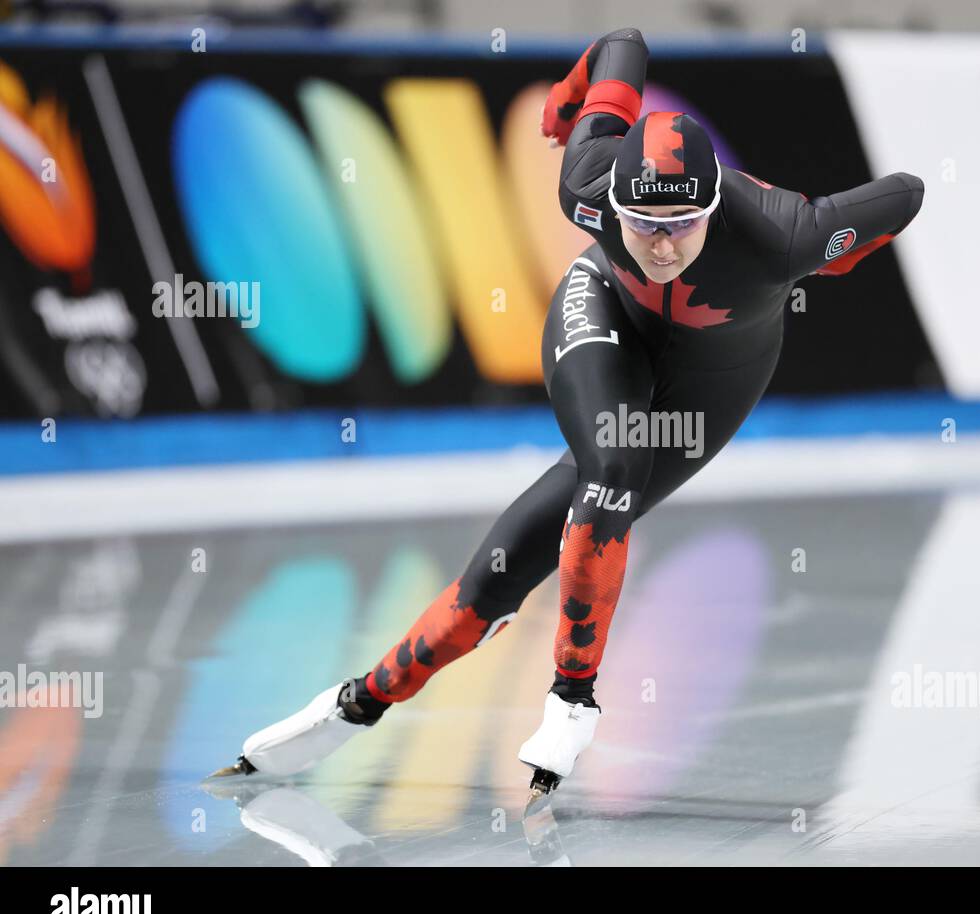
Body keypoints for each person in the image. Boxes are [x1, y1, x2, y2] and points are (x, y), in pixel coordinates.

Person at [212, 27, 924, 796]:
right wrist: (563, 102)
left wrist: (836, 248)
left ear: (714, 209)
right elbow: (623, 43)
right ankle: (384, 704)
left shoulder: (785, 234)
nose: (659, 244)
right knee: (604, 471)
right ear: (607, 203)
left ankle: (498, 697)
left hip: (709, 385)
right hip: (606, 316)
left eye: (682, 224)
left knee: (506, 570)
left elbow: (907, 191)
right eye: (641, 224)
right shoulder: (585, 177)